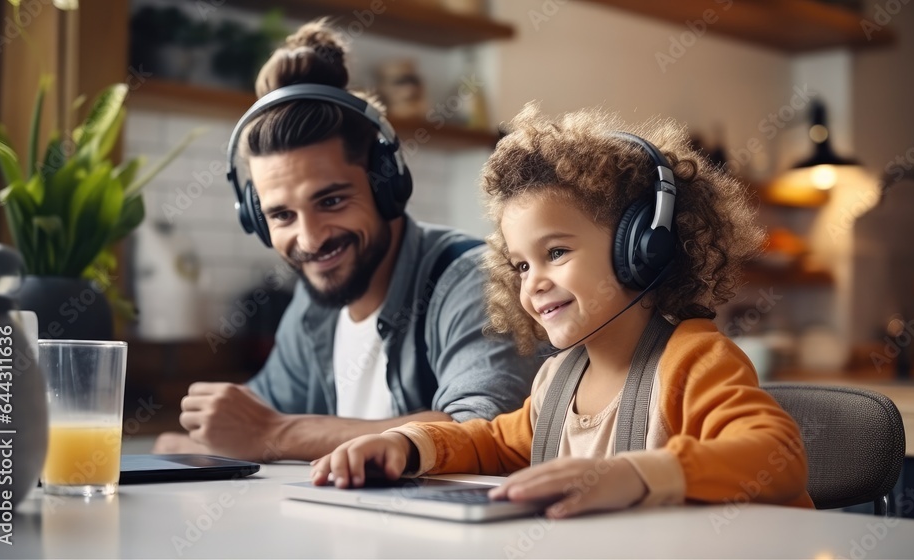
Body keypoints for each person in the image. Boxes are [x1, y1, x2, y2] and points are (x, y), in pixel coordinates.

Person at [310, 103, 816, 517]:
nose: (534, 283)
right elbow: (493, 444)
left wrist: (637, 474)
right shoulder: (558, 379)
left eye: (555, 253)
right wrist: (407, 445)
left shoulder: (695, 361)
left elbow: (778, 456)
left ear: (641, 248)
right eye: (521, 266)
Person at [153, 20, 540, 462]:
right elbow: (252, 421)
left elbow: (489, 433)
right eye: (281, 215)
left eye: (332, 200)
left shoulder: (472, 280)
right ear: (256, 220)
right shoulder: (314, 304)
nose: (311, 238)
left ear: (384, 183)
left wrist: (279, 435)